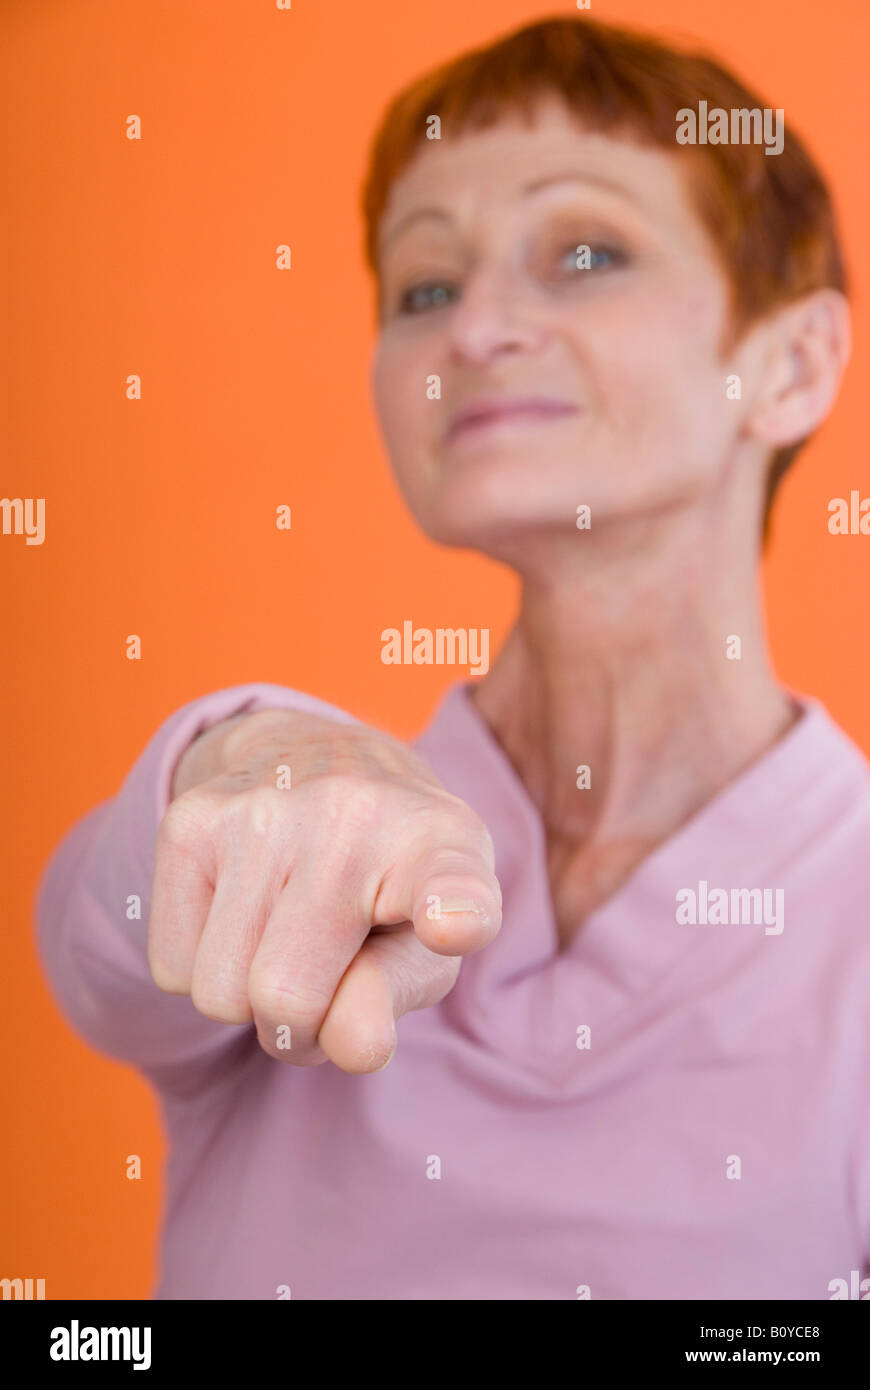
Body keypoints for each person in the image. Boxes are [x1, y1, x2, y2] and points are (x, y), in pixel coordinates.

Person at [36, 15, 870, 1300]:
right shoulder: (308, 819)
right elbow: (93, 949)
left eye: (584, 252)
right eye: (425, 285)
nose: (474, 327)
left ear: (794, 364)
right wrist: (232, 753)